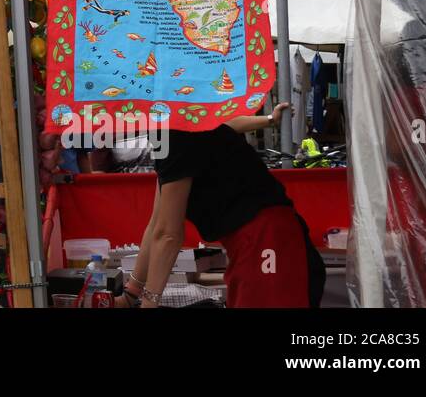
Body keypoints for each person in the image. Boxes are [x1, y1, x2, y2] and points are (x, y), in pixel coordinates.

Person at [119, 105, 325, 309]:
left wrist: (148, 302)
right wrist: (131, 293)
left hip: (266, 238)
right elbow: (157, 224)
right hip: (257, 239)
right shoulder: (174, 129)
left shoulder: (175, 133)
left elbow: (168, 235)